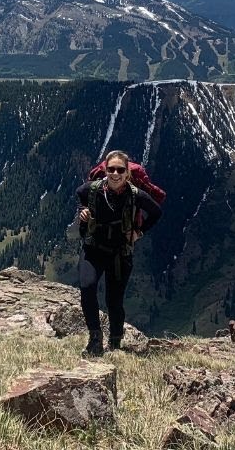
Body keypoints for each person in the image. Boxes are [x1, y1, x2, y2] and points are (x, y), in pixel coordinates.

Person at [75, 149, 162, 355]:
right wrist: (83, 211)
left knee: (114, 301)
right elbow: (80, 194)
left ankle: (115, 342)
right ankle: (95, 338)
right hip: (93, 249)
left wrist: (139, 232)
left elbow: (157, 211)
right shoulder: (93, 189)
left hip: (120, 254)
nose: (115, 174)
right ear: (105, 170)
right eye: (111, 169)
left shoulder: (135, 195)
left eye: (120, 170)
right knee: (87, 288)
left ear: (127, 173)